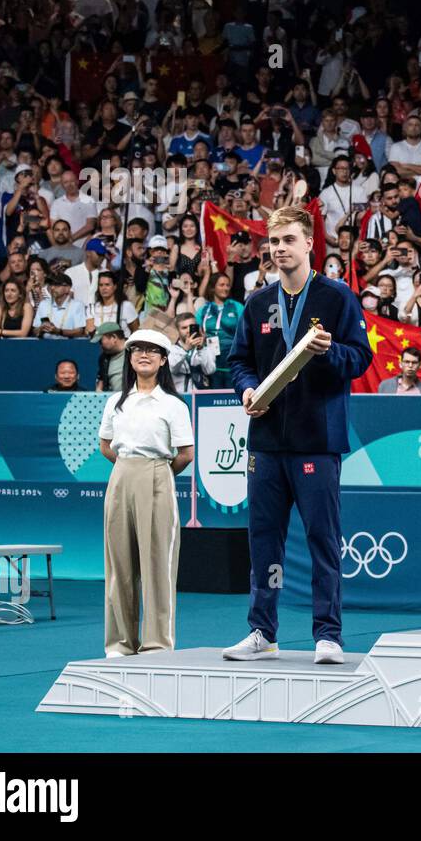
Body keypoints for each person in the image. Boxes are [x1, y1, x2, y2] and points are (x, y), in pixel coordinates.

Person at [223, 207, 374, 665]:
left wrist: (328, 355)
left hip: (316, 440)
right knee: (263, 539)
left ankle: (328, 634)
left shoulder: (337, 298)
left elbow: (361, 357)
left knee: (322, 539)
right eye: (274, 242)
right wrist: (247, 388)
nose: (280, 249)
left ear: (310, 244)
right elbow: (238, 362)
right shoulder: (256, 304)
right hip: (266, 439)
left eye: (289, 239)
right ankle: (261, 631)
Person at [97, 329, 194, 657]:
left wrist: (158, 473)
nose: (144, 355)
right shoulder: (115, 401)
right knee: (118, 565)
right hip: (121, 474)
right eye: (137, 349)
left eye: (153, 351)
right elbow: (105, 446)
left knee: (157, 565)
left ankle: (156, 643)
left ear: (163, 359)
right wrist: (128, 467)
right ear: (129, 357)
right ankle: (121, 643)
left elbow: (185, 453)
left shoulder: (173, 404)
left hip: (158, 474)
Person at [93, 322, 128, 392]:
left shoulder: (135, 353)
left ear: (114, 337)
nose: (100, 346)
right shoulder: (103, 358)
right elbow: (101, 380)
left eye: (100, 341)